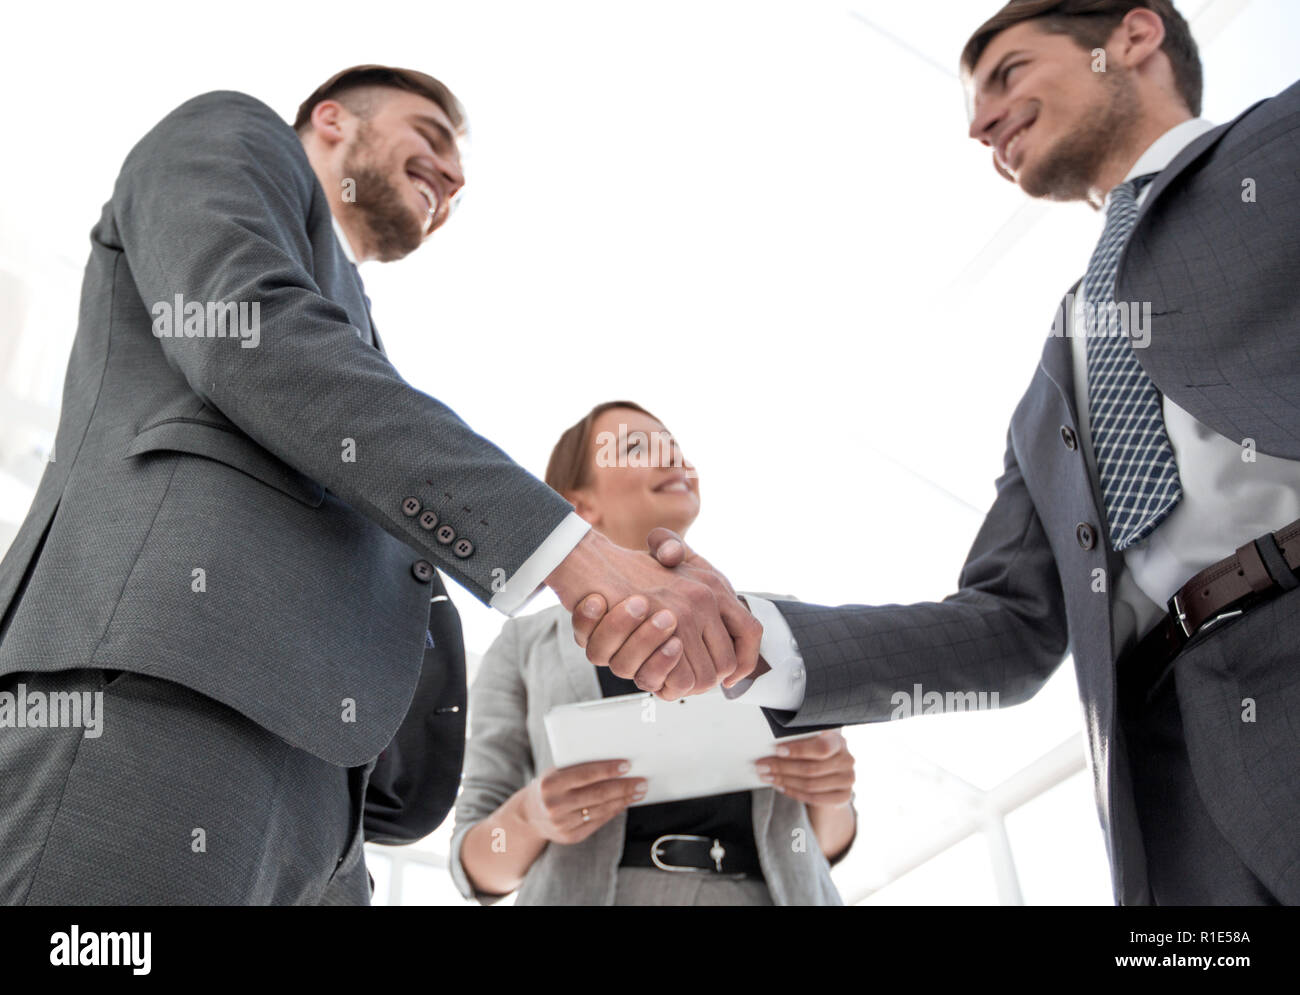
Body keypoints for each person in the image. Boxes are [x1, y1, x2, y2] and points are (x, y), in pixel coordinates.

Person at [574, 1, 1300, 905]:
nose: (980, 121)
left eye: (1009, 73)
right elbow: (1010, 630)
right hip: (1168, 782)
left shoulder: (1279, 147)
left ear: (1134, 38)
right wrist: (765, 639)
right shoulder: (1053, 387)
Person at [0, 66, 759, 906]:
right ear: (330, 118)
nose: (453, 175)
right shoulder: (234, 132)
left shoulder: (359, 329)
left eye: (461, 172)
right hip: (167, 696)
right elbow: (252, 335)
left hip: (330, 808)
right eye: (429, 135)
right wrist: (570, 554)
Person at [450, 402, 856, 905]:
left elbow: (830, 842)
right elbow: (476, 866)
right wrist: (531, 815)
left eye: (677, 449)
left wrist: (833, 794)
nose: (675, 461)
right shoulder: (523, 644)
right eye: (637, 448)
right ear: (577, 508)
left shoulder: (780, 622)